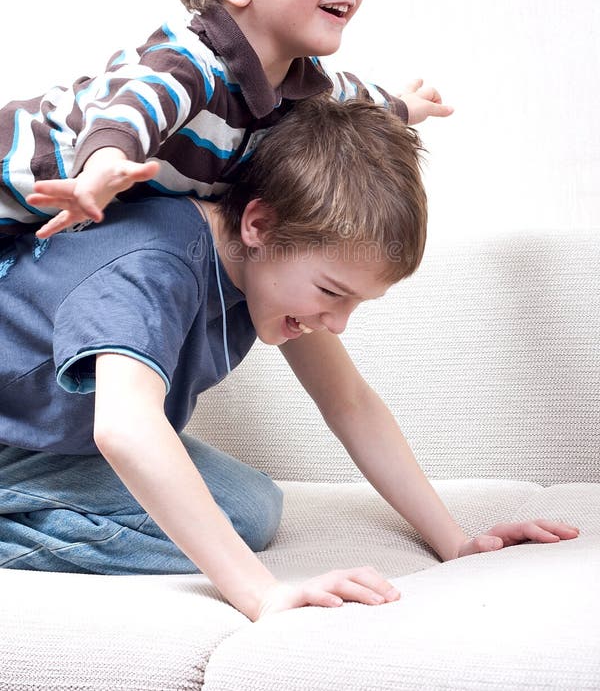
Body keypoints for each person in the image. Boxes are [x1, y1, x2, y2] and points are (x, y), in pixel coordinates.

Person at [0, 96, 578, 621]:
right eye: (332, 291)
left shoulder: (268, 270)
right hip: (16, 435)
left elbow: (347, 400)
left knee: (250, 506)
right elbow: (127, 428)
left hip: (43, 441)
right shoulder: (155, 262)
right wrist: (260, 593)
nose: (338, 321)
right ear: (259, 224)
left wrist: (456, 543)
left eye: (356, 301)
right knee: (237, 517)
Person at [0, 0, 452, 244]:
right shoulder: (187, 60)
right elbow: (132, 108)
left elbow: (350, 96)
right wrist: (104, 166)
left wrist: (404, 106)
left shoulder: (298, 87)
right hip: (20, 166)